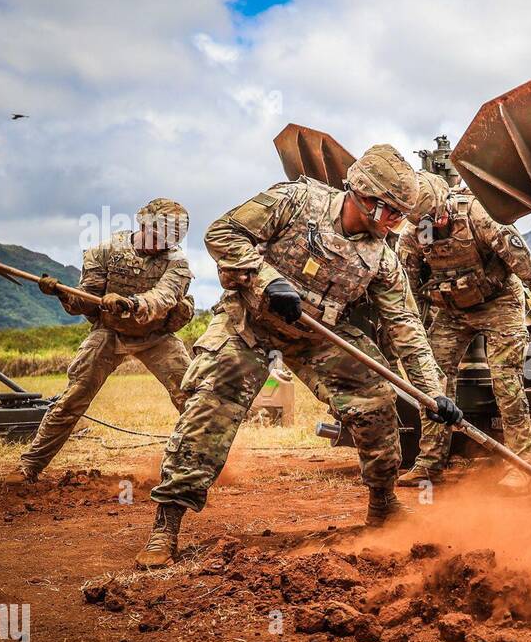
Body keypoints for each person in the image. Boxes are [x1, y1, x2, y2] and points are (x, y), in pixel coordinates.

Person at [135, 146, 462, 568]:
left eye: (402, 216)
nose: (396, 225)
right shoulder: (296, 201)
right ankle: (167, 525)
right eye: (392, 214)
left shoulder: (382, 257)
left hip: (317, 335)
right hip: (250, 322)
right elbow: (223, 232)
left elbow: (406, 326)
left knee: (377, 399)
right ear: (364, 197)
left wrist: (431, 394)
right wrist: (268, 281)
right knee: (211, 405)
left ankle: (383, 503)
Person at [395, 171, 531, 491]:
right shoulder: (411, 235)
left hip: (500, 303)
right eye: (426, 221)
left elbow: (529, 270)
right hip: (452, 310)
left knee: (505, 378)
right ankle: (429, 463)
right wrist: (419, 334)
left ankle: (521, 466)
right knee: (432, 379)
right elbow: (409, 293)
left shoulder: (480, 216)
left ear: (447, 205)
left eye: (437, 218)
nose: (433, 225)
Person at [19, 198, 194, 481]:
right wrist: (62, 293)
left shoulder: (178, 263)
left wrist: (130, 303)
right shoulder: (105, 251)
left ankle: (194, 470)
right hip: (109, 332)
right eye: (157, 235)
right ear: (143, 225)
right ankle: (29, 466)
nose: (160, 244)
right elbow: (84, 302)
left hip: (155, 336)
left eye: (168, 240)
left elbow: (163, 298)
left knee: (192, 397)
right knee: (73, 398)